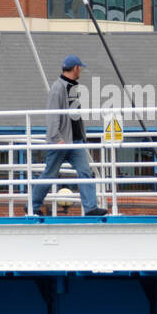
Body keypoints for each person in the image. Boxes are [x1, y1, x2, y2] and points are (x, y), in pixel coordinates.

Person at [31, 55, 107, 217]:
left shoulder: (70, 87)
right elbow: (52, 115)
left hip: (74, 141)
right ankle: (32, 205)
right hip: (62, 141)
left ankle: (91, 208)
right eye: (80, 68)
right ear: (76, 68)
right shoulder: (58, 88)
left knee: (85, 171)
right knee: (50, 174)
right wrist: (56, 138)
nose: (81, 71)